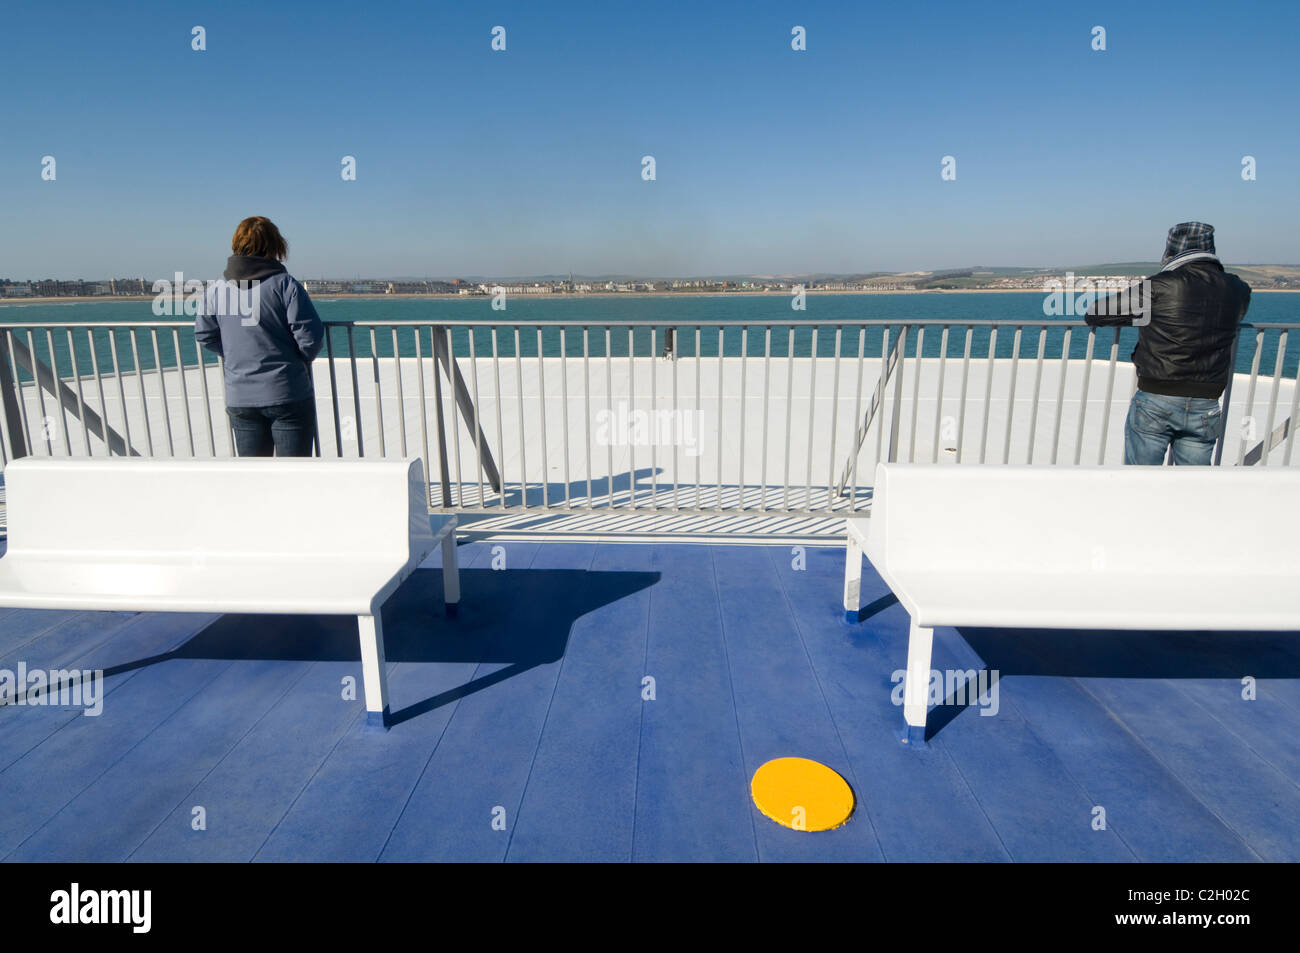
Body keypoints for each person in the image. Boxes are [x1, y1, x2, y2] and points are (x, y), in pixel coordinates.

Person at [1086, 222, 1251, 465]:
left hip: (1158, 395)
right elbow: (1235, 316)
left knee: (1141, 481)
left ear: (1171, 250)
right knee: (1193, 485)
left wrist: (1149, 316)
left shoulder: (1161, 285)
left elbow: (1097, 312)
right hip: (1207, 400)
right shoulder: (1238, 288)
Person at [195, 217, 325, 456]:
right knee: (294, 477)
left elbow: (204, 334)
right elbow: (310, 339)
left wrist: (236, 354)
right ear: (275, 245)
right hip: (287, 392)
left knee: (253, 480)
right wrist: (294, 359)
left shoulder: (215, 289)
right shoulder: (285, 285)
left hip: (241, 397)